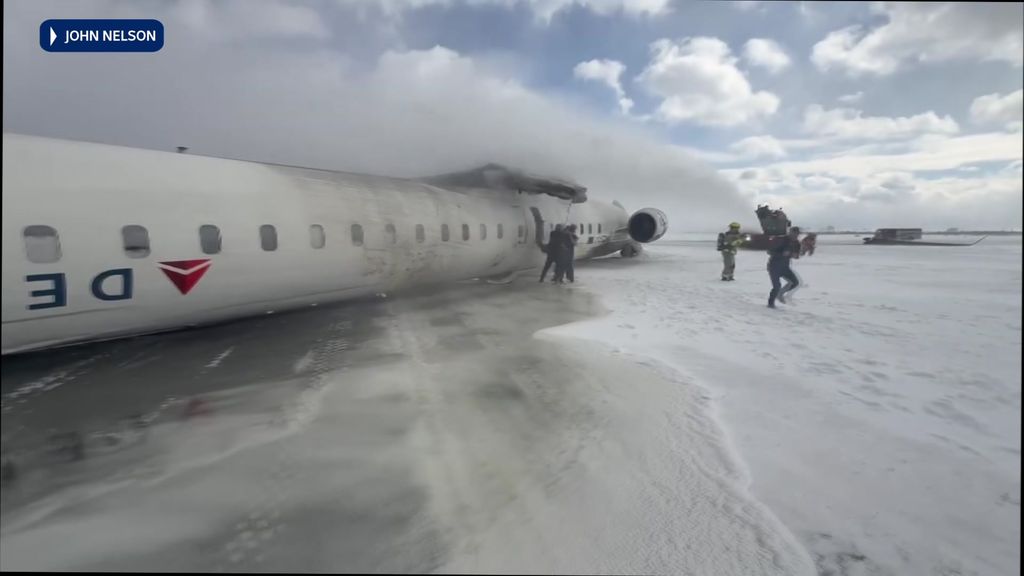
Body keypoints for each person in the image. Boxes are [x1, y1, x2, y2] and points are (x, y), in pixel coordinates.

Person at [767, 226, 802, 309]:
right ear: (790, 232)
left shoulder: (797, 243)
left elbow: (797, 255)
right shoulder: (781, 240)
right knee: (776, 286)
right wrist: (781, 254)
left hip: (785, 267)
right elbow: (769, 251)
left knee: (795, 282)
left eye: (797, 234)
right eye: (794, 233)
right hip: (774, 266)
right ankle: (770, 303)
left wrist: (795, 255)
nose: (795, 236)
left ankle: (780, 294)